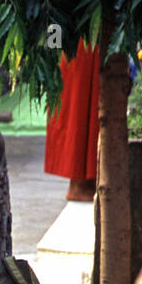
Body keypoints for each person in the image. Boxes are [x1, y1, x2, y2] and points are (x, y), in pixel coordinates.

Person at [44, 41, 100, 202]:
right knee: (76, 112)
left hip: (89, 45)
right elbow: (52, 19)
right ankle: (80, 183)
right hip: (75, 48)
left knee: (84, 111)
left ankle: (88, 180)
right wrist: (53, 51)